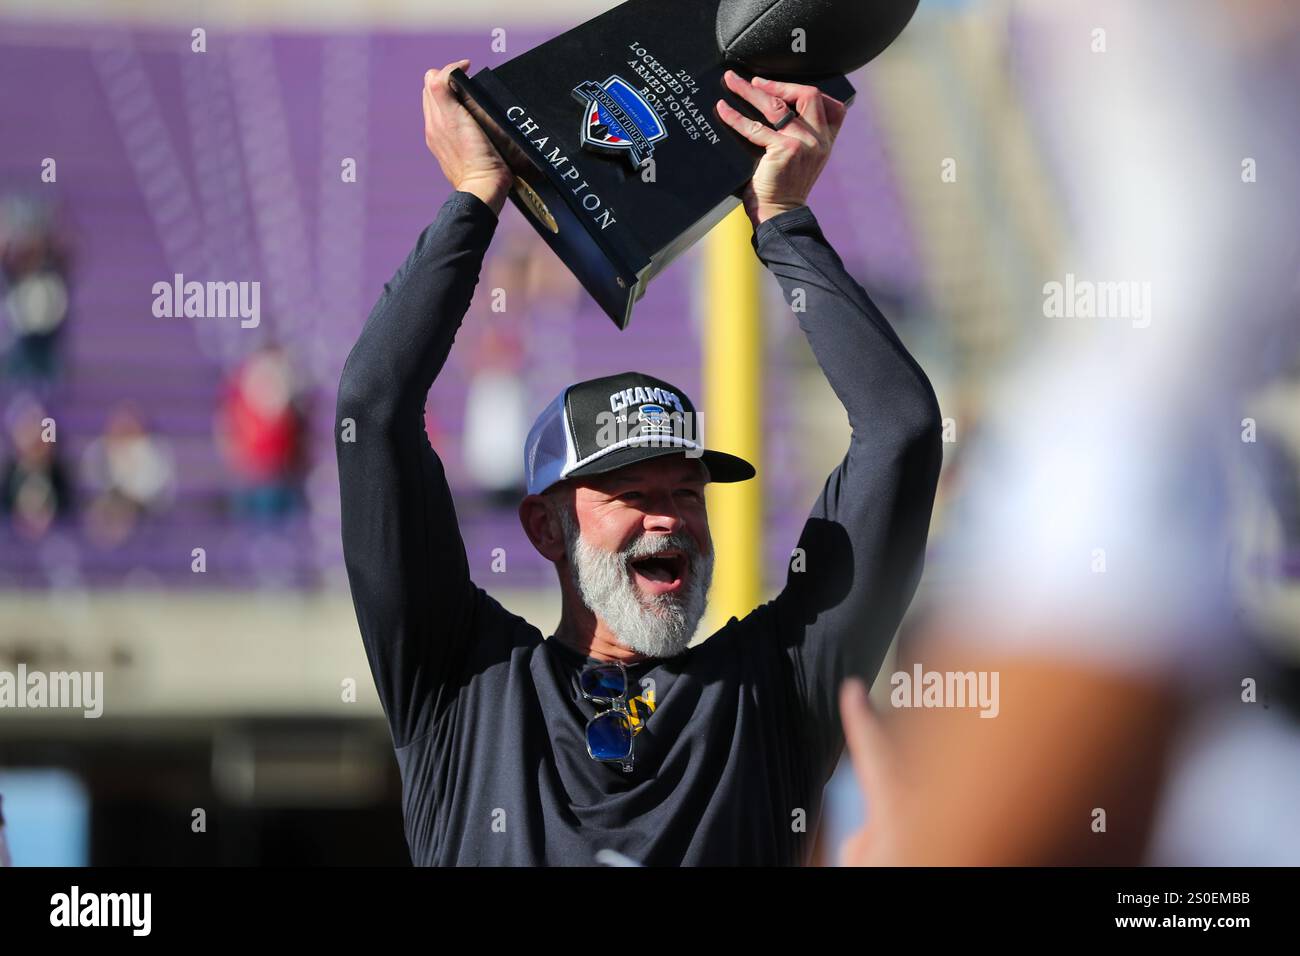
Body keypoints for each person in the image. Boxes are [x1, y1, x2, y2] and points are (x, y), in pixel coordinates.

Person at [335, 60, 941, 866]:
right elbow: (371, 414)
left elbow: (900, 430)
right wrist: (475, 200)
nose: (670, 516)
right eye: (629, 490)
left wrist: (783, 219)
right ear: (545, 526)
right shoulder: (461, 684)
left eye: (686, 491)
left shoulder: (775, 690)